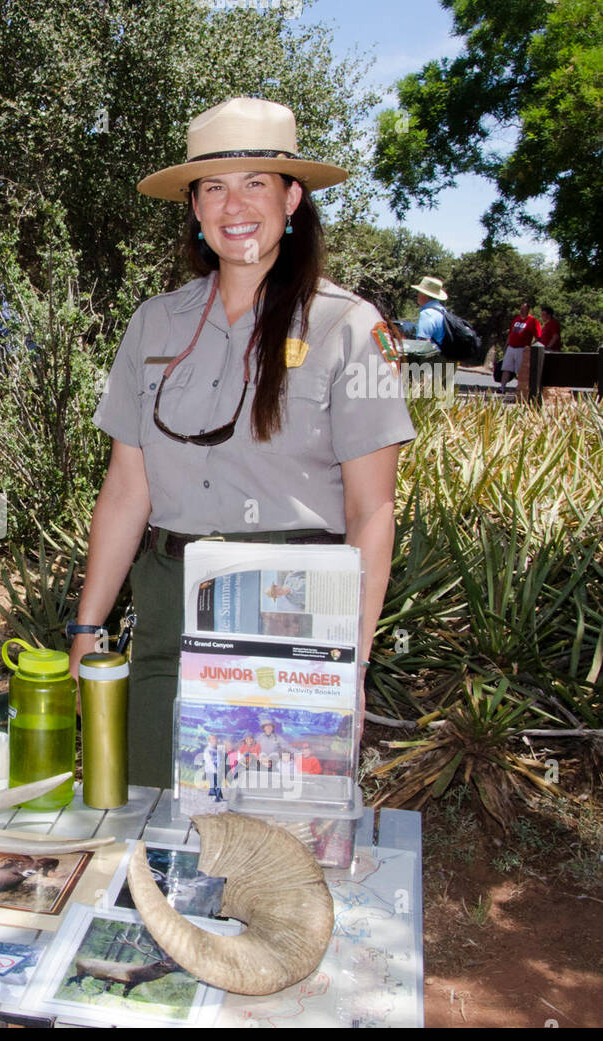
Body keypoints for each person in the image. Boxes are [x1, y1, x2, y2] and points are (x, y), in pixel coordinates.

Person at [66, 98, 415, 789]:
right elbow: (126, 488)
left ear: (293, 197)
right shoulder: (155, 325)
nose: (235, 205)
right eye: (214, 187)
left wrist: (354, 660)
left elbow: (371, 511)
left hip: (292, 611)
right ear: (194, 207)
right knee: (151, 815)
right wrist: (87, 627)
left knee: (270, 832)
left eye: (256, 183)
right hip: (167, 603)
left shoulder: (349, 328)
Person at [498, 301, 540, 394]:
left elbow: (538, 337)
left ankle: (520, 389)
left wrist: (530, 348)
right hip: (511, 347)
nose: (521, 311)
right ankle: (502, 388)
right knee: (506, 368)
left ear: (528, 310)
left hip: (522, 349)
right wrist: (506, 346)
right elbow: (511, 334)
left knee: (521, 371)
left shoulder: (533, 321)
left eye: (524, 309)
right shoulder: (516, 319)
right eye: (521, 309)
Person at [411, 276, 447, 349]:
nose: (417, 294)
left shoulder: (427, 314)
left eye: (419, 292)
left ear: (424, 294)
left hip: (433, 358)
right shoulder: (442, 310)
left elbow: (423, 343)